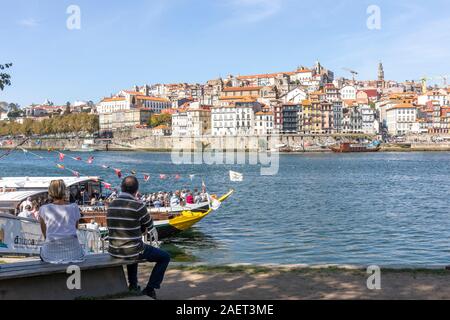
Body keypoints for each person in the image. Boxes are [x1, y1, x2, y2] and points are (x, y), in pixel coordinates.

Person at [107, 176, 170, 299]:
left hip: (114, 249)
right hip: (132, 249)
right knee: (164, 257)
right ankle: (150, 289)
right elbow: (150, 226)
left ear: (121, 188)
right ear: (137, 190)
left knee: (133, 245)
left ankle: (134, 285)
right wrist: (141, 228)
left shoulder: (112, 205)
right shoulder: (138, 205)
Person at [38, 180, 85, 264]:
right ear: (64, 191)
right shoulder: (74, 207)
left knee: (42, 250)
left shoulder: (44, 209)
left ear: (50, 192)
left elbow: (45, 233)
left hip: (50, 254)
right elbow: (75, 228)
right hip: (74, 253)